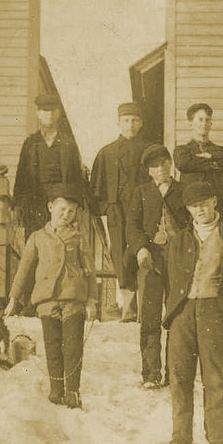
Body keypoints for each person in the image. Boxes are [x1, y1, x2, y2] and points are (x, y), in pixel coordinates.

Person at [162, 182, 223, 444]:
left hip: (213, 309)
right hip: (183, 311)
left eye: (203, 203)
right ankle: (181, 436)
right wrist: (175, 311)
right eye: (193, 206)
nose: (199, 210)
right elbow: (172, 277)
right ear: (188, 210)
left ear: (214, 202)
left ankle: (217, 441)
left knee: (213, 379)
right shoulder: (180, 240)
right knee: (179, 376)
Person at [4, 184, 98, 409]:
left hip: (73, 298)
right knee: (53, 347)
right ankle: (56, 390)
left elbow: (89, 270)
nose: (66, 215)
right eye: (62, 209)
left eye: (71, 211)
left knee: (72, 347)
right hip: (47, 301)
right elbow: (24, 269)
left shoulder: (78, 236)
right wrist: (14, 299)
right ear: (50, 207)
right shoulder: (37, 237)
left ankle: (72, 391)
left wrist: (91, 300)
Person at [125, 144, 191, 389]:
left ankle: (176, 373)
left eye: (164, 163)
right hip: (151, 259)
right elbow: (132, 226)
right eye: (155, 166)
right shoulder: (141, 192)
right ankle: (151, 374)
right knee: (150, 317)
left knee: (177, 317)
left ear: (170, 164)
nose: (161, 168)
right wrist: (141, 248)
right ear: (149, 171)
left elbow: (193, 225)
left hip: (179, 260)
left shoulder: (184, 191)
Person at [90, 101, 151, 321]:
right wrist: (107, 207)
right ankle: (128, 306)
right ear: (118, 122)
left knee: (138, 253)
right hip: (116, 212)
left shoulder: (149, 151)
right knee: (118, 255)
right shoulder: (106, 153)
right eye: (126, 120)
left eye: (135, 120)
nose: (131, 124)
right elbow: (96, 188)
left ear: (141, 123)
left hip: (142, 212)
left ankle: (141, 306)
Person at [13, 95, 88, 240]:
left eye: (53, 110)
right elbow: (21, 176)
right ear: (38, 114)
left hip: (61, 202)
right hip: (35, 201)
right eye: (45, 111)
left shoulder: (68, 144)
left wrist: (77, 205)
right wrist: (18, 205)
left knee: (60, 240)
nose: (50, 114)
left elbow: (75, 178)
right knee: (35, 241)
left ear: (58, 113)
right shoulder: (30, 144)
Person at [173, 103, 223, 227]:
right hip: (193, 206)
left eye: (207, 120)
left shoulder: (218, 150)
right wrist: (214, 164)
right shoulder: (182, 150)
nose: (204, 123)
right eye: (200, 119)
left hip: (218, 206)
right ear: (190, 123)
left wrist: (211, 156)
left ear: (211, 123)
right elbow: (183, 163)